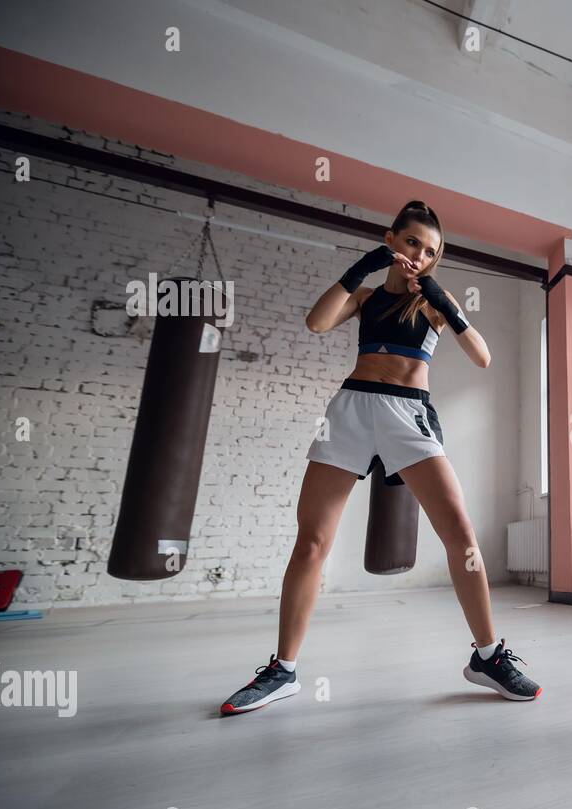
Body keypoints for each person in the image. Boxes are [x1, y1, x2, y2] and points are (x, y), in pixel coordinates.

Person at [219, 200, 541, 714]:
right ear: (392, 239)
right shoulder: (366, 296)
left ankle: (488, 656)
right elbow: (316, 322)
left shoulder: (434, 301)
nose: (419, 255)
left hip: (407, 413)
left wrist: (441, 299)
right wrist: (361, 267)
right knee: (311, 543)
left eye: (430, 251)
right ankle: (283, 670)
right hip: (350, 409)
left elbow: (482, 356)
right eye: (411, 241)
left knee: (460, 533)